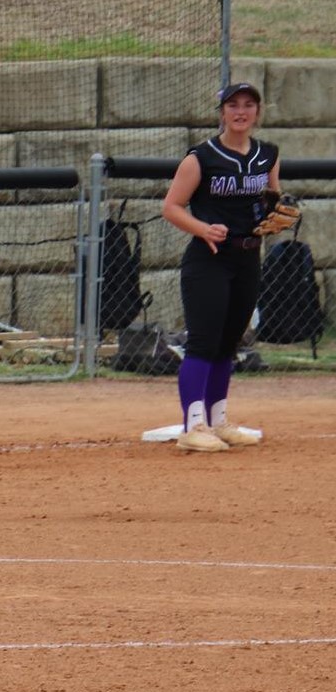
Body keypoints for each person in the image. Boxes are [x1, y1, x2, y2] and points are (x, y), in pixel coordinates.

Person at [158, 82, 275, 453]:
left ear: (258, 111)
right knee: (203, 343)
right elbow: (172, 206)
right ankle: (193, 426)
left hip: (248, 256)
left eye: (248, 105)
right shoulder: (201, 157)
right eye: (233, 105)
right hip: (208, 259)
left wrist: (278, 215)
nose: (241, 112)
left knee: (229, 343)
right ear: (222, 112)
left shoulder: (267, 155)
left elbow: (272, 199)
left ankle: (218, 421)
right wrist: (202, 228)